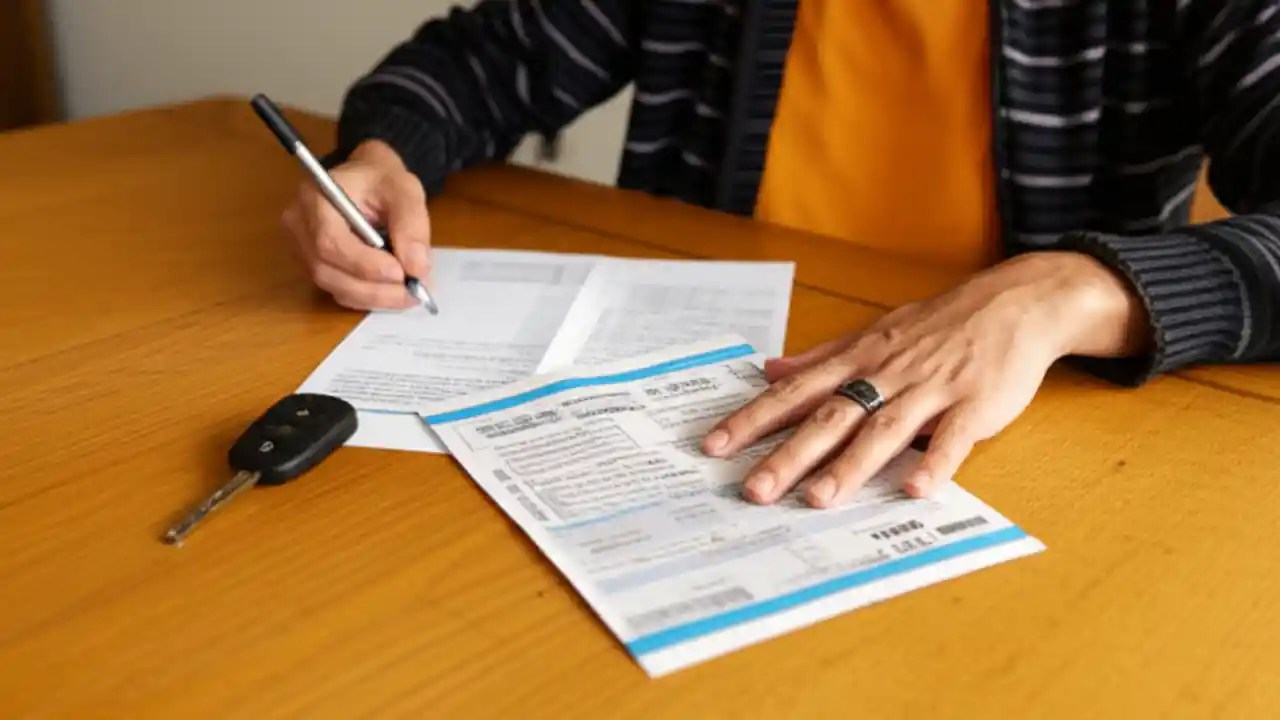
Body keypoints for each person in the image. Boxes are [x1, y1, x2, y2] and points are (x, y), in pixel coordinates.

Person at [280, 1, 1279, 508]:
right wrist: (378, 156)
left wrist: (1068, 290)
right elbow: (485, 61)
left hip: (1038, 435)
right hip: (692, 400)